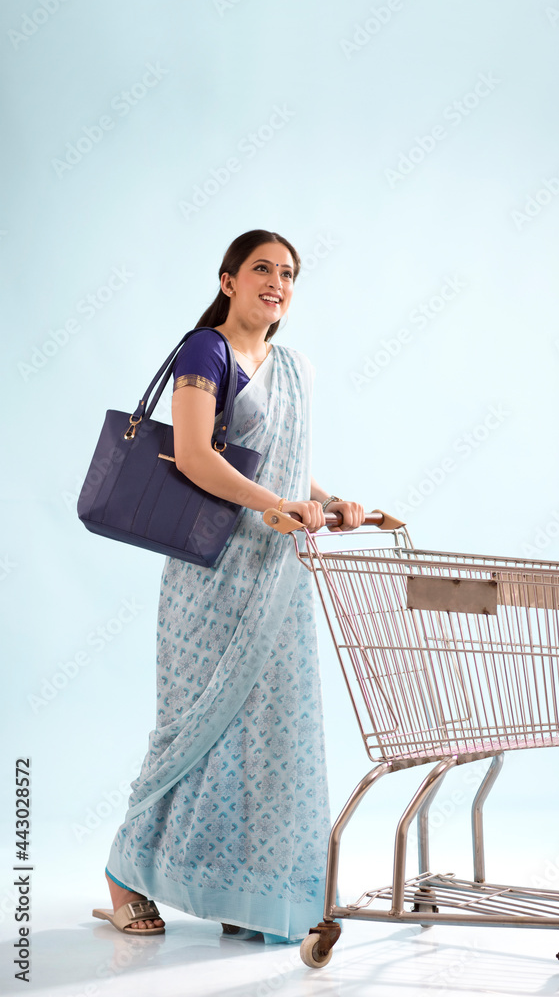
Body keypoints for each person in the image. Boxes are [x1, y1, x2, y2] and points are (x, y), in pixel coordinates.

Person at [92, 229, 364, 943]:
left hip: (275, 572)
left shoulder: (291, 366)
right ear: (228, 280)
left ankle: (240, 891)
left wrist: (328, 502)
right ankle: (125, 874)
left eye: (288, 274)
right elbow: (190, 456)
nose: (277, 283)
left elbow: (283, 464)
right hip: (210, 574)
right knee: (190, 727)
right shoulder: (204, 350)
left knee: (268, 731)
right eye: (262, 270)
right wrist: (271, 508)